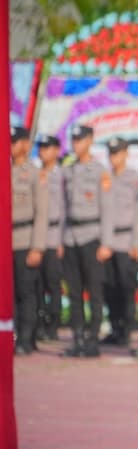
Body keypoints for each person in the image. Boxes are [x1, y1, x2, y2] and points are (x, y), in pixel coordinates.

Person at [61, 124, 114, 358]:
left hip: (92, 236)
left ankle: (92, 341)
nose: (76, 144)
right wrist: (60, 239)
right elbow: (63, 207)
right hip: (71, 236)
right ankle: (78, 339)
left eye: (80, 140)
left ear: (90, 140)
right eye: (73, 140)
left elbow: (107, 209)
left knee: (94, 292)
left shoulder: (99, 171)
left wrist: (106, 242)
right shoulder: (68, 170)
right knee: (74, 292)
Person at [101, 137, 138, 347]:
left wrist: (136, 242)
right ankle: (114, 328)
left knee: (127, 288)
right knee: (109, 288)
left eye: (117, 153)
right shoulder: (105, 177)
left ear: (126, 153)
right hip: (108, 243)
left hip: (127, 240)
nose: (114, 157)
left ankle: (126, 330)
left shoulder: (134, 178)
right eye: (111, 153)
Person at [11, 126, 48, 355]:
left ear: (25, 144)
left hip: (26, 240)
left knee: (26, 293)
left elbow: (41, 212)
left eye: (14, 142)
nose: (11, 146)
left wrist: (38, 246)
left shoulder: (35, 173)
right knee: (9, 294)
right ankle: (12, 337)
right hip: (7, 241)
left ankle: (26, 339)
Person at [35, 133, 65, 342]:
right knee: (37, 284)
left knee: (53, 284)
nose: (43, 151)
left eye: (47, 147)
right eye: (41, 147)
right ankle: (39, 324)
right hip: (36, 236)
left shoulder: (61, 175)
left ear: (56, 150)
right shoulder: (35, 173)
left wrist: (62, 239)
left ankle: (53, 325)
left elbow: (65, 208)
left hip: (55, 234)